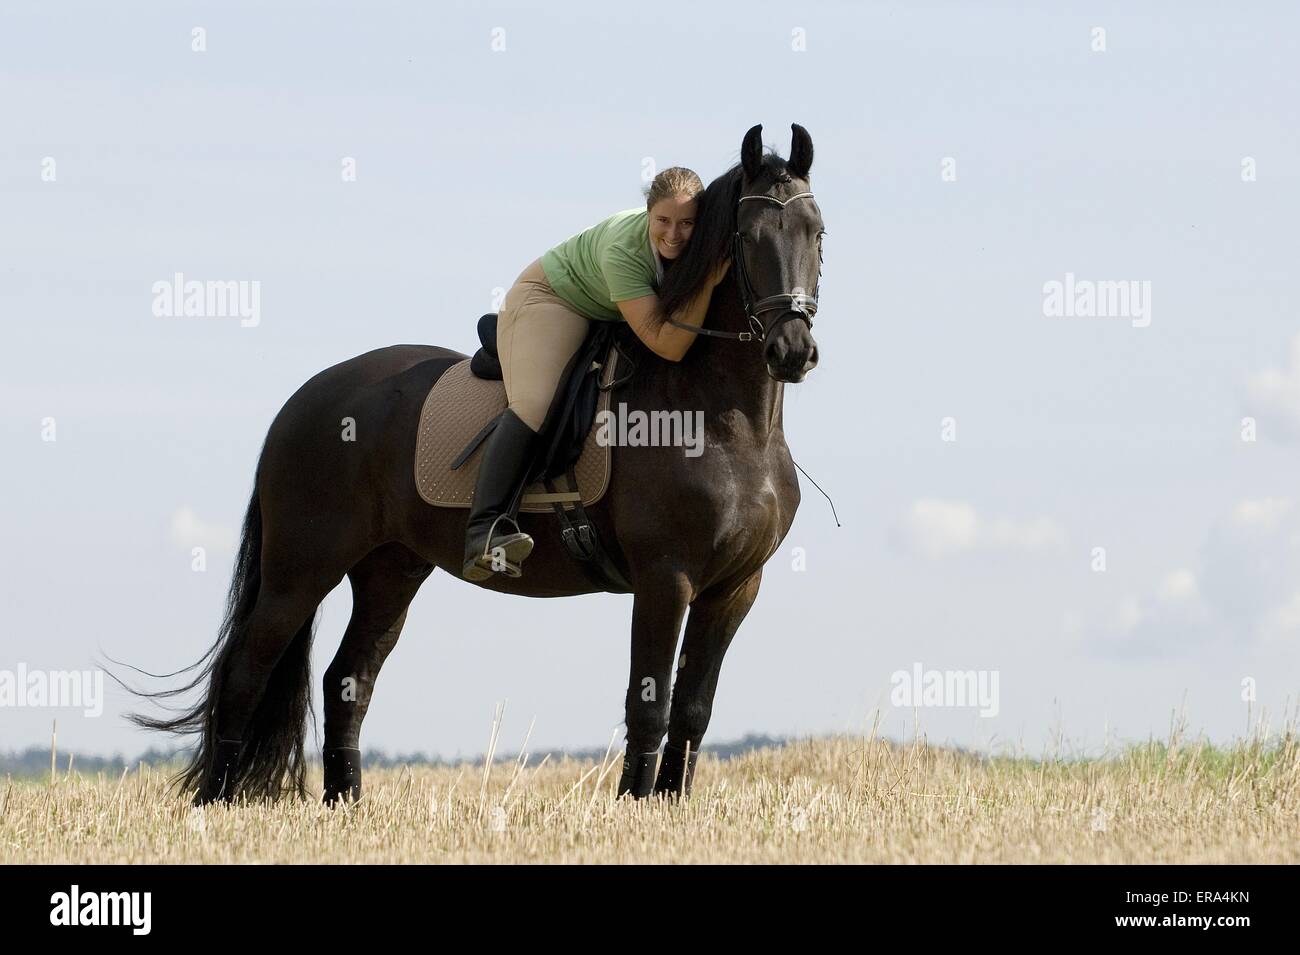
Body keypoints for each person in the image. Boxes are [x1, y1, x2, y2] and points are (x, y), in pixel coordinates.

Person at [462, 167, 732, 581]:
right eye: (662, 221)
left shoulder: (696, 244)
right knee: (535, 404)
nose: (674, 234)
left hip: (609, 311)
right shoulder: (623, 251)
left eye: (686, 223)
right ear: (647, 215)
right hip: (553, 299)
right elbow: (670, 346)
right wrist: (707, 285)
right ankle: (486, 529)